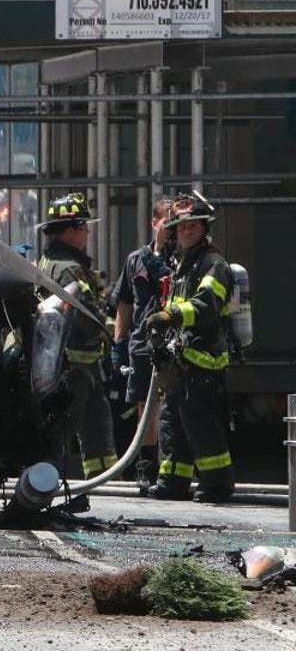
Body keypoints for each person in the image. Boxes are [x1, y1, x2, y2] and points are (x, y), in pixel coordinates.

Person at [145, 191, 236, 504]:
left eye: (193, 226)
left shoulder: (214, 264)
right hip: (180, 360)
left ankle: (217, 484)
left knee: (202, 426)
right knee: (172, 424)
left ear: (204, 229)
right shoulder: (180, 264)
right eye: (181, 227)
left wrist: (169, 315)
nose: (186, 231)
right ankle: (173, 481)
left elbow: (207, 305)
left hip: (204, 360)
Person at [37, 192, 117, 482]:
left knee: (94, 423)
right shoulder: (69, 268)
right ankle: (59, 481)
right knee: (70, 425)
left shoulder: (49, 261)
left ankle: (101, 480)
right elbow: (85, 314)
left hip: (72, 362)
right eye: (84, 227)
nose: (88, 232)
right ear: (70, 230)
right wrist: (110, 326)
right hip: (75, 363)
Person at [110, 196, 174, 493]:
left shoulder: (180, 260)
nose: (171, 230)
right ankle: (145, 467)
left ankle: (171, 465)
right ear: (154, 223)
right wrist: (118, 343)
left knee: (173, 404)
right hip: (140, 344)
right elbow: (124, 302)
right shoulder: (135, 260)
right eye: (167, 223)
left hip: (173, 342)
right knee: (143, 406)